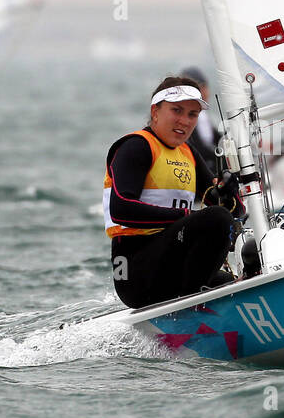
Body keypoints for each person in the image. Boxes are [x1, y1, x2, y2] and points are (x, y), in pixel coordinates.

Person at [104, 75, 245, 309]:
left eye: (192, 114)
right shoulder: (136, 146)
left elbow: (231, 211)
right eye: (177, 110)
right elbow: (120, 210)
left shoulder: (187, 153)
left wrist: (231, 193)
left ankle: (197, 303)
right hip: (135, 272)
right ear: (155, 111)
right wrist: (183, 217)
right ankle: (192, 307)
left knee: (233, 284)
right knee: (216, 219)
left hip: (174, 266)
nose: (185, 121)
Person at [180, 65, 223, 170]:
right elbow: (197, 147)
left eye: (205, 87)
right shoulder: (187, 117)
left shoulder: (203, 114)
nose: (205, 91)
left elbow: (216, 138)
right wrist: (221, 154)